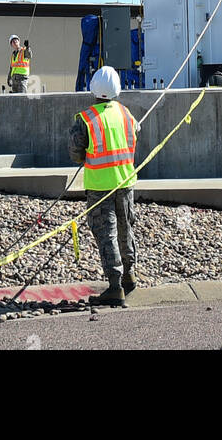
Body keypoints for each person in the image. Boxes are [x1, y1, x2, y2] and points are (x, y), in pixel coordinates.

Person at [68, 66, 139, 307]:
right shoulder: (126, 114)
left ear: (94, 89)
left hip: (100, 187)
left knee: (106, 234)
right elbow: (135, 133)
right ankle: (129, 275)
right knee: (125, 228)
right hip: (125, 182)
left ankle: (115, 286)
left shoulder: (85, 119)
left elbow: (77, 154)